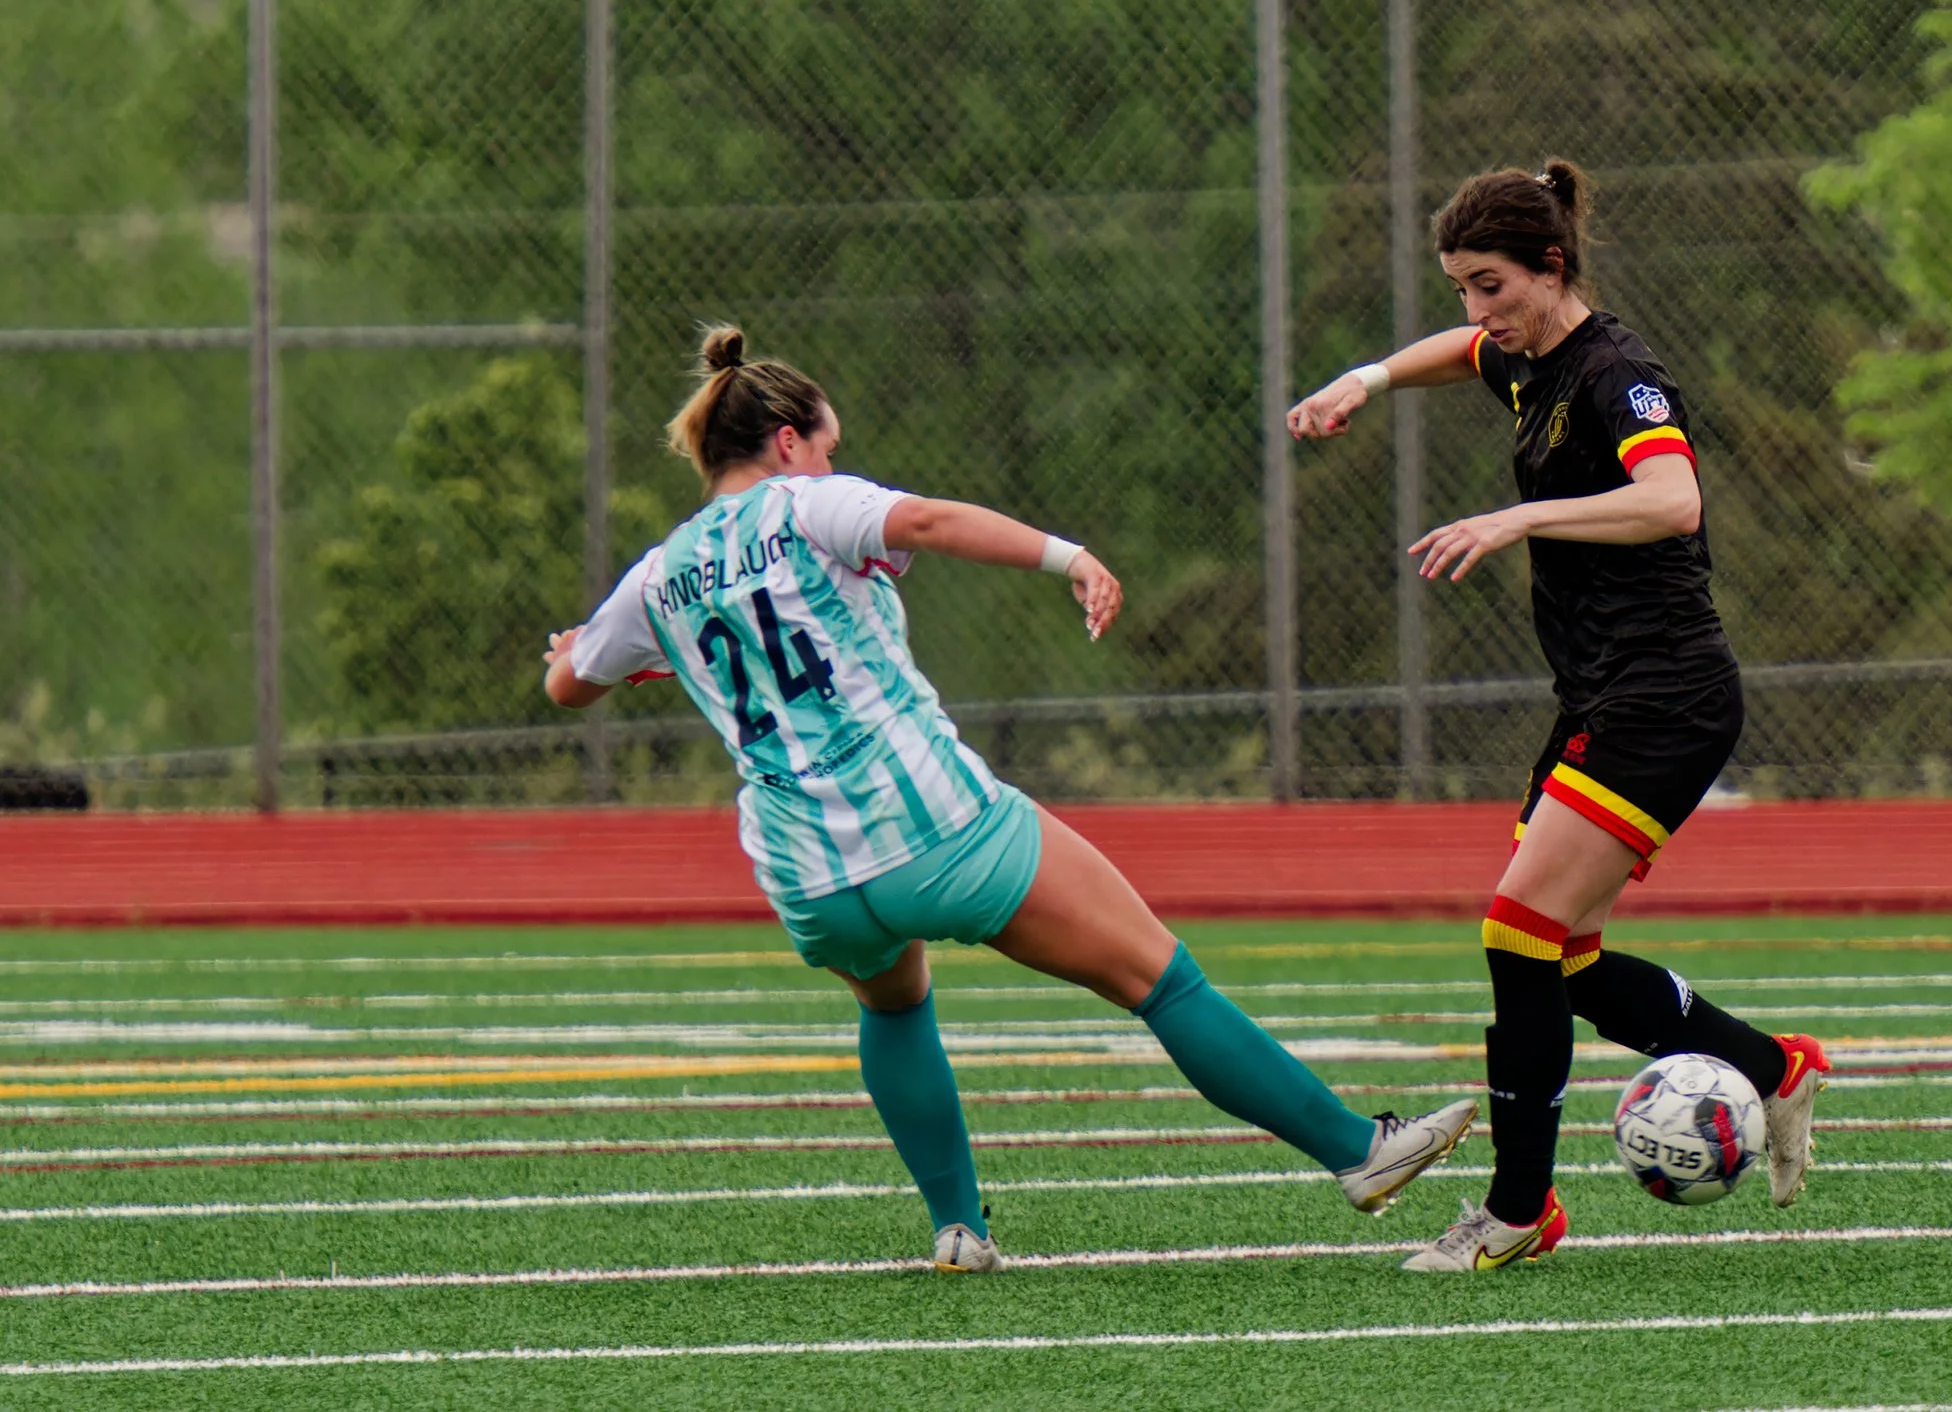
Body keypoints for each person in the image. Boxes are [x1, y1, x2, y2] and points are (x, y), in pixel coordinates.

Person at [545, 325, 1475, 1273]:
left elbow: (570, 682)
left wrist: (635, 654)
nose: (834, 461)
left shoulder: (660, 573)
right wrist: (1066, 556)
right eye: (827, 444)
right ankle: (1357, 1150)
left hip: (808, 870)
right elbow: (929, 524)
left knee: (895, 1009)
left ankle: (958, 1226)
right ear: (788, 440)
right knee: (1161, 978)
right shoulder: (804, 502)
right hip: (931, 824)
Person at [1286, 160, 1829, 1274]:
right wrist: (1367, 378)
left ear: (1552, 265)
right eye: (1459, 290)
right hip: (1601, 693)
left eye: (1490, 286)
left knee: (1514, 931)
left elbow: (1673, 498)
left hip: (1665, 693)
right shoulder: (1529, 359)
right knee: (1563, 958)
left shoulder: (1615, 371)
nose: (1477, 315)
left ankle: (1518, 1207)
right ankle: (1773, 1066)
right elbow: (1462, 355)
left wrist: (1515, 516)